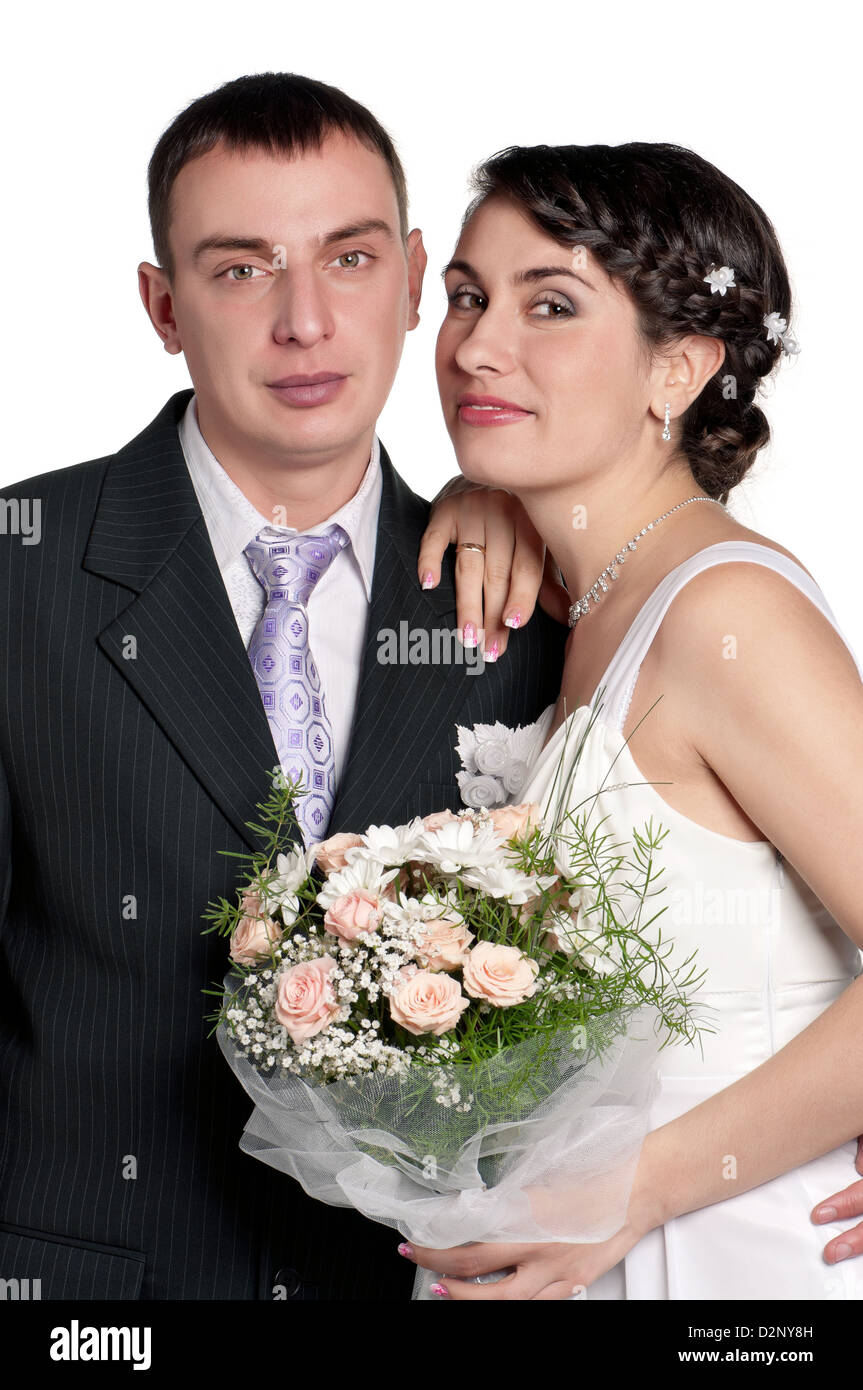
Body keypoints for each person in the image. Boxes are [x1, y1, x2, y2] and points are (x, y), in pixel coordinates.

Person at [0, 73, 567, 1301]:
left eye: (349, 259)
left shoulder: (533, 601)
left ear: (417, 279)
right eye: (241, 268)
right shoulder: (21, 569)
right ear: (162, 304)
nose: (305, 322)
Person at [402, 141, 863, 1299]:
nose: (475, 345)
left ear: (679, 370)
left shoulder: (730, 614)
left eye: (548, 303)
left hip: (728, 1257)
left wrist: (633, 1190)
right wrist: (486, 494)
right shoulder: (590, 592)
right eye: (465, 297)